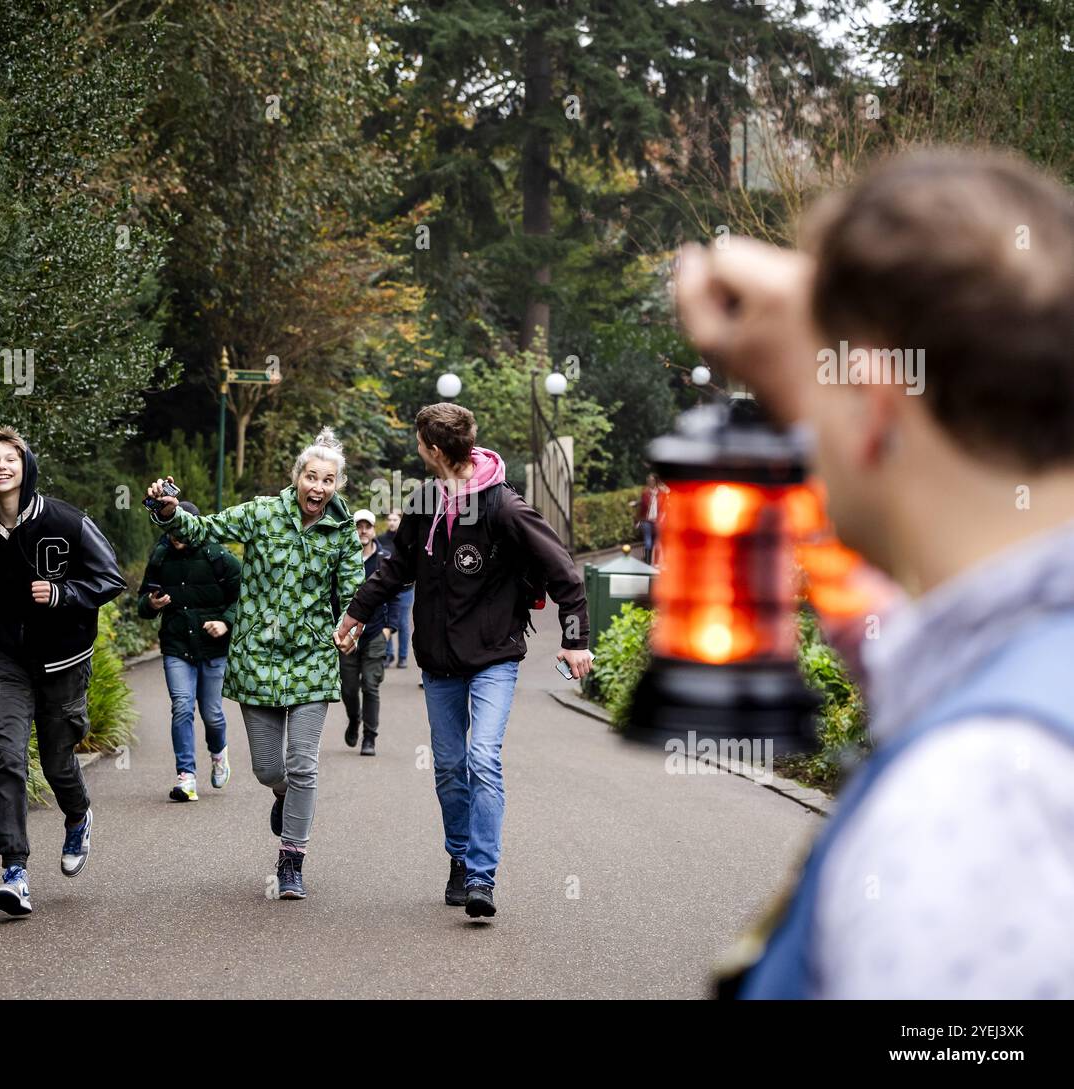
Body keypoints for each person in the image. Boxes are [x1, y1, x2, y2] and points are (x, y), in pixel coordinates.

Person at [675, 147, 1074, 998]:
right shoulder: (1023, 669)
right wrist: (805, 369)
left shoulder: (973, 799)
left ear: (876, 410)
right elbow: (925, 648)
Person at [335, 403, 592, 919]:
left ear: (432, 449)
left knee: (482, 759)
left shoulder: (504, 507)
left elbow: (563, 569)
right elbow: (397, 566)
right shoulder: (426, 500)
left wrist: (575, 638)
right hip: (439, 658)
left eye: (418, 442)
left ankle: (481, 875)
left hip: (495, 653)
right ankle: (458, 854)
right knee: (450, 766)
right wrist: (357, 613)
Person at [146, 428, 363, 900]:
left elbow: (352, 590)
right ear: (297, 478)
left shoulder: (342, 532)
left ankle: (291, 858)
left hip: (312, 658)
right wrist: (167, 510)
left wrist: (351, 627)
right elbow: (204, 531)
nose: (319, 487)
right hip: (258, 658)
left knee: (303, 765)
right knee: (269, 769)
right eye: (311, 476)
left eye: (328, 480)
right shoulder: (263, 513)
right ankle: (281, 795)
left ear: (338, 485)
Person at [0, 425, 126, 917]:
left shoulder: (67, 521)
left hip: (64, 661)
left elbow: (110, 578)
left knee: (56, 763)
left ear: (26, 465)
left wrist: (62, 595)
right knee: (7, 758)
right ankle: (15, 871)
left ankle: (78, 816)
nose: (1, 466)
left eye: (10, 458)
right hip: (7, 661)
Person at [137, 500, 242, 801]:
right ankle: (187, 777)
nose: (176, 536)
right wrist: (151, 604)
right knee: (182, 706)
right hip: (177, 645)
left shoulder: (219, 556)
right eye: (171, 531)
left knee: (212, 714)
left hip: (214, 648)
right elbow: (143, 601)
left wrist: (225, 622)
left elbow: (245, 596)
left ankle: (219, 752)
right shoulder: (160, 555)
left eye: (181, 529)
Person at [341, 510, 393, 755]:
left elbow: (396, 596)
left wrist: (388, 628)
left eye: (367, 526)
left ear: (373, 530)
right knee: (349, 688)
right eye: (358, 526)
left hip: (374, 632)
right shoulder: (342, 558)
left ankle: (370, 737)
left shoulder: (385, 560)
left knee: (370, 685)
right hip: (347, 634)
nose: (363, 530)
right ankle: (354, 719)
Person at [378, 509, 413, 667]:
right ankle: (388, 654)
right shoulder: (380, 540)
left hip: (404, 588)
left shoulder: (407, 539)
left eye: (395, 520)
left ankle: (403, 656)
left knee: (403, 623)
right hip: (385, 586)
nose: (392, 522)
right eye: (390, 519)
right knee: (386, 620)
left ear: (400, 522)